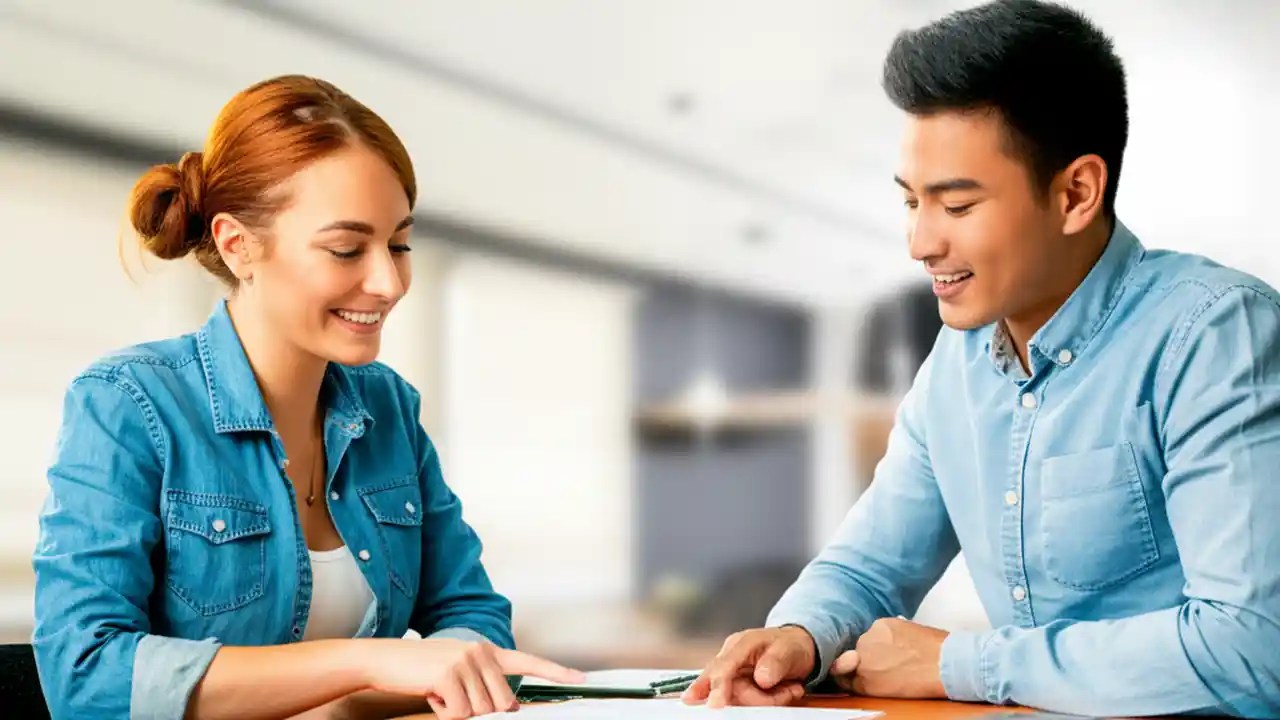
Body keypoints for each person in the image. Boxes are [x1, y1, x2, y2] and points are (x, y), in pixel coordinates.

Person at [683, 1, 1280, 717]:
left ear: (1075, 193)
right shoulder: (958, 363)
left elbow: (1251, 650)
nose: (920, 244)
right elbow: (872, 563)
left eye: (957, 206)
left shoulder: (1215, 333)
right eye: (911, 203)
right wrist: (797, 636)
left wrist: (959, 663)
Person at [31, 74, 582, 720]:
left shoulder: (389, 409)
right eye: (347, 249)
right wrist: (364, 662)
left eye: (400, 244)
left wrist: (351, 700)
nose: (388, 282)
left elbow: (471, 616)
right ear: (239, 246)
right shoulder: (129, 402)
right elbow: (85, 674)